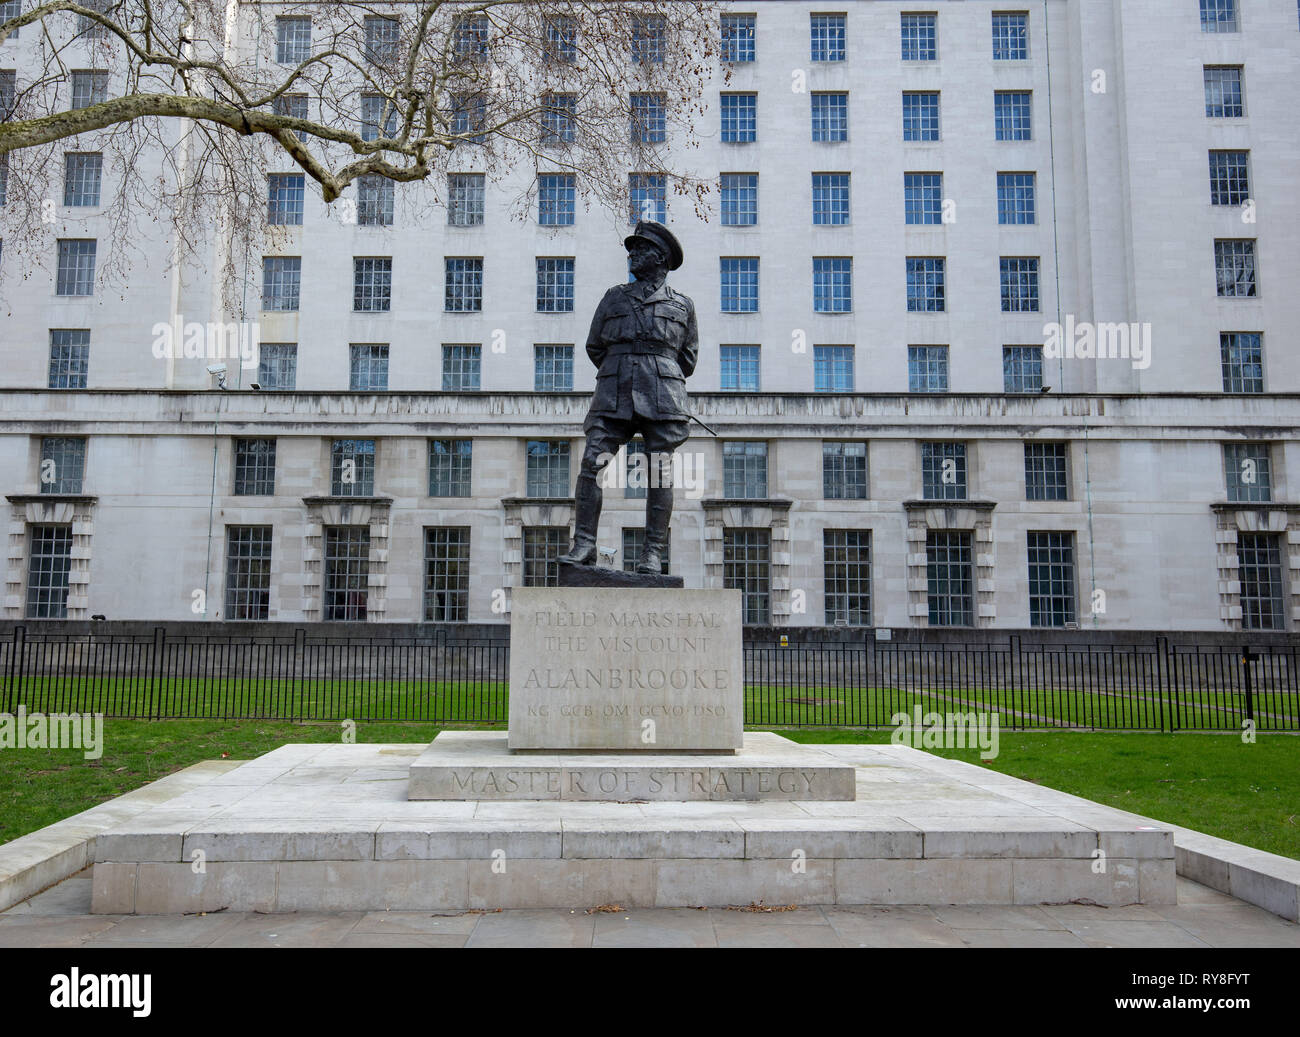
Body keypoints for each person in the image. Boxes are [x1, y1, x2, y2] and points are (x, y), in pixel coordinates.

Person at [558, 221, 698, 575]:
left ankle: (653, 553)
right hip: (614, 393)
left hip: (663, 396)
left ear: (660, 259)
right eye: (631, 249)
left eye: (640, 249)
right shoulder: (613, 297)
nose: (632, 254)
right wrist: (624, 367)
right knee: (592, 464)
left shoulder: (683, 305)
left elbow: (688, 359)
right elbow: (595, 346)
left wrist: (653, 368)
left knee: (659, 473)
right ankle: (584, 544)